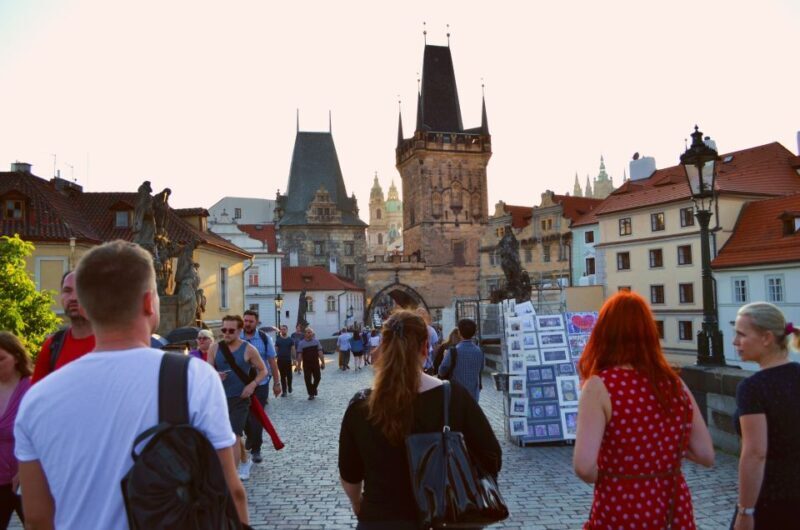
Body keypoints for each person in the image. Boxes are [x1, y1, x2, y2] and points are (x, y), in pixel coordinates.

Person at [14, 240, 249, 528]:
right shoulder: (193, 378)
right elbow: (231, 491)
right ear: (150, 302)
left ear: (85, 307)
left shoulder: (37, 398)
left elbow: (36, 517)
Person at [338, 310, 502, 529]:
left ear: (382, 348)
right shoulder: (454, 397)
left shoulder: (360, 406)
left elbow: (349, 473)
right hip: (447, 517)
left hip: (381, 519)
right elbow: (491, 456)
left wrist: (359, 505)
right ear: (426, 347)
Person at [573, 291, 714, 530]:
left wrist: (621, 477)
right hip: (671, 505)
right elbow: (705, 454)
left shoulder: (601, 386)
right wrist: (660, 457)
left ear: (603, 333)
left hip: (623, 507)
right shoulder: (674, 384)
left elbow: (584, 466)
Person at [732, 302, 800, 529]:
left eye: (741, 335)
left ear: (767, 338)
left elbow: (755, 454)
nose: (735, 342)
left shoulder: (753, 387)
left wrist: (745, 511)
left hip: (771, 500)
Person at [207, 314, 268, 481]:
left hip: (239, 399)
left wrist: (252, 385)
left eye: (231, 330)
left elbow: (264, 371)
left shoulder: (248, 349)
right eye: (224, 330)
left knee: (234, 435)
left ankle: (231, 475)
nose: (226, 333)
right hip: (218, 399)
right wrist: (215, 375)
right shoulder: (215, 348)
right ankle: (243, 461)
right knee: (223, 435)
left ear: (239, 330)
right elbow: (207, 370)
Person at [31, 271, 95, 383]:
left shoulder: (114, 344)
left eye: (81, 289)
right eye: (67, 291)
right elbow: (37, 397)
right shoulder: (52, 346)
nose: (73, 297)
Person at [0, 333, 32, 529]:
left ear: (17, 357)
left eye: (1, 359)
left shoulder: (32, 388)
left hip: (26, 479)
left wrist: (25, 469)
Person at [241, 310, 281, 465]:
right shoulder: (238, 338)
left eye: (250, 321)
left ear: (256, 322)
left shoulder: (265, 339)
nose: (247, 324)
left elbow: (272, 362)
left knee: (257, 416)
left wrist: (277, 383)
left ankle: (256, 450)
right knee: (243, 416)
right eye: (245, 320)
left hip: (261, 383)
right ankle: (251, 436)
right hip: (242, 383)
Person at [438, 319, 483, 402]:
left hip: (456, 394)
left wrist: (445, 357)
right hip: (474, 394)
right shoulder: (479, 351)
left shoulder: (453, 351)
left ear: (459, 332)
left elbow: (441, 371)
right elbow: (480, 369)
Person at [297, 327, 325, 400]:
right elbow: (299, 355)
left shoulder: (316, 342)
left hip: (315, 363)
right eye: (308, 332)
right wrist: (299, 366)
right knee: (307, 379)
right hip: (306, 364)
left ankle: (313, 388)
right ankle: (311, 394)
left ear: (312, 333)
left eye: (310, 332)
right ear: (305, 333)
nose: (309, 334)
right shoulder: (301, 343)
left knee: (318, 378)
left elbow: (320, 352)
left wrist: (323, 362)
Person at [414, 308, 438, 374]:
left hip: (414, 366)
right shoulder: (431, 330)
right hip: (427, 366)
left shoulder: (410, 330)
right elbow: (435, 349)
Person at [274, 325, 296, 397]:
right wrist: (274, 358)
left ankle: (289, 386)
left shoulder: (290, 340)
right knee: (282, 376)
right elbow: (276, 350)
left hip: (288, 360)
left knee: (289, 375)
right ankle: (284, 391)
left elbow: (293, 350)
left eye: (284, 329)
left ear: (287, 330)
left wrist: (294, 359)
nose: (283, 330)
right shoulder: (278, 340)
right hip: (280, 360)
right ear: (280, 331)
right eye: (282, 329)